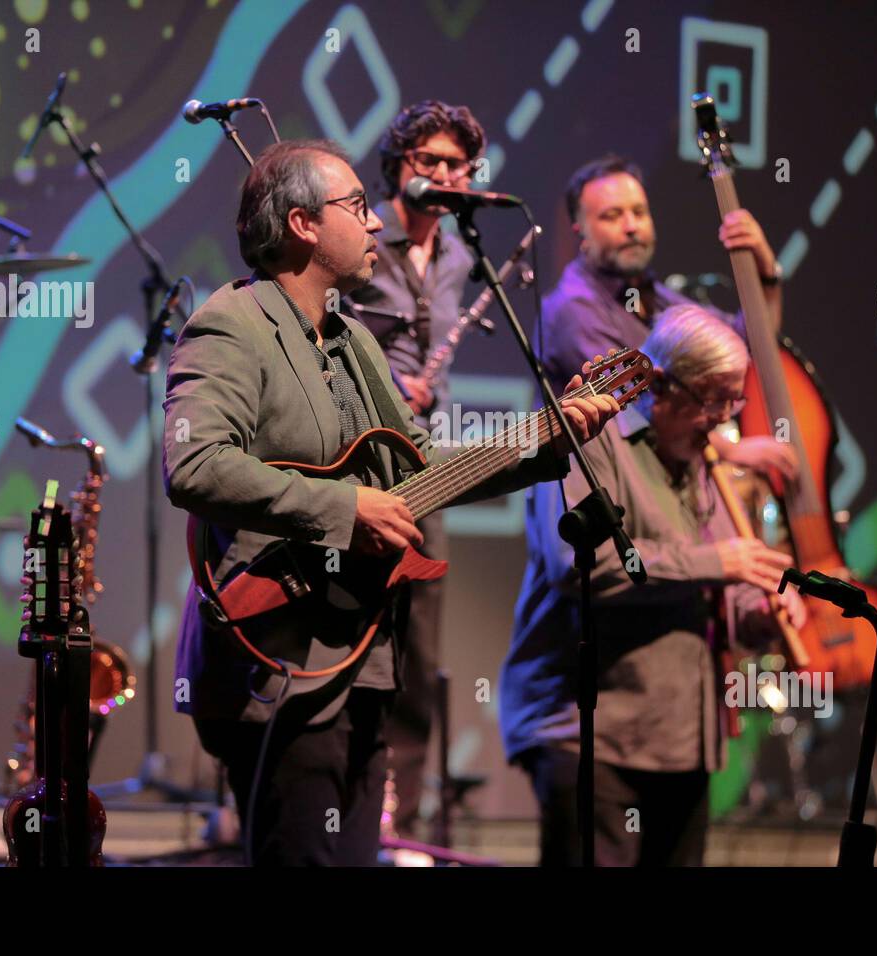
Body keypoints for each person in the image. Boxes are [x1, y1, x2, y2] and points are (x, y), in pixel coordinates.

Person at [163, 139, 618, 865]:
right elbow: (195, 465)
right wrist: (346, 510)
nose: (377, 224)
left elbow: (420, 469)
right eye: (357, 208)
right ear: (304, 224)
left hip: (364, 658)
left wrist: (548, 440)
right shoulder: (230, 326)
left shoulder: (353, 342)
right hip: (279, 660)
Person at [499, 304, 807, 866]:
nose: (724, 419)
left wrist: (758, 615)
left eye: (733, 401)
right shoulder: (590, 440)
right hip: (590, 729)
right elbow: (575, 565)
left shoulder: (704, 462)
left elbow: (711, 591)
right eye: (714, 399)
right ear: (660, 385)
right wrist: (717, 562)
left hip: (683, 736)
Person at [346, 100, 487, 833]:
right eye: (425, 161)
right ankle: (348, 801)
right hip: (358, 453)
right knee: (353, 623)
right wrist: (386, 380)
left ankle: (404, 815)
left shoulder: (463, 254)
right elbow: (324, 328)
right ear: (399, 167)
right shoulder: (364, 234)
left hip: (427, 457)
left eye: (453, 165)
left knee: (421, 636)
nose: (439, 174)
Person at [539, 154, 796, 482]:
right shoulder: (570, 309)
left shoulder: (657, 296)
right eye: (612, 216)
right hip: (609, 491)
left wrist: (766, 271)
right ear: (581, 229)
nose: (631, 226)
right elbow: (638, 405)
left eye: (639, 212)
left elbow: (748, 343)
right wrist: (732, 450)